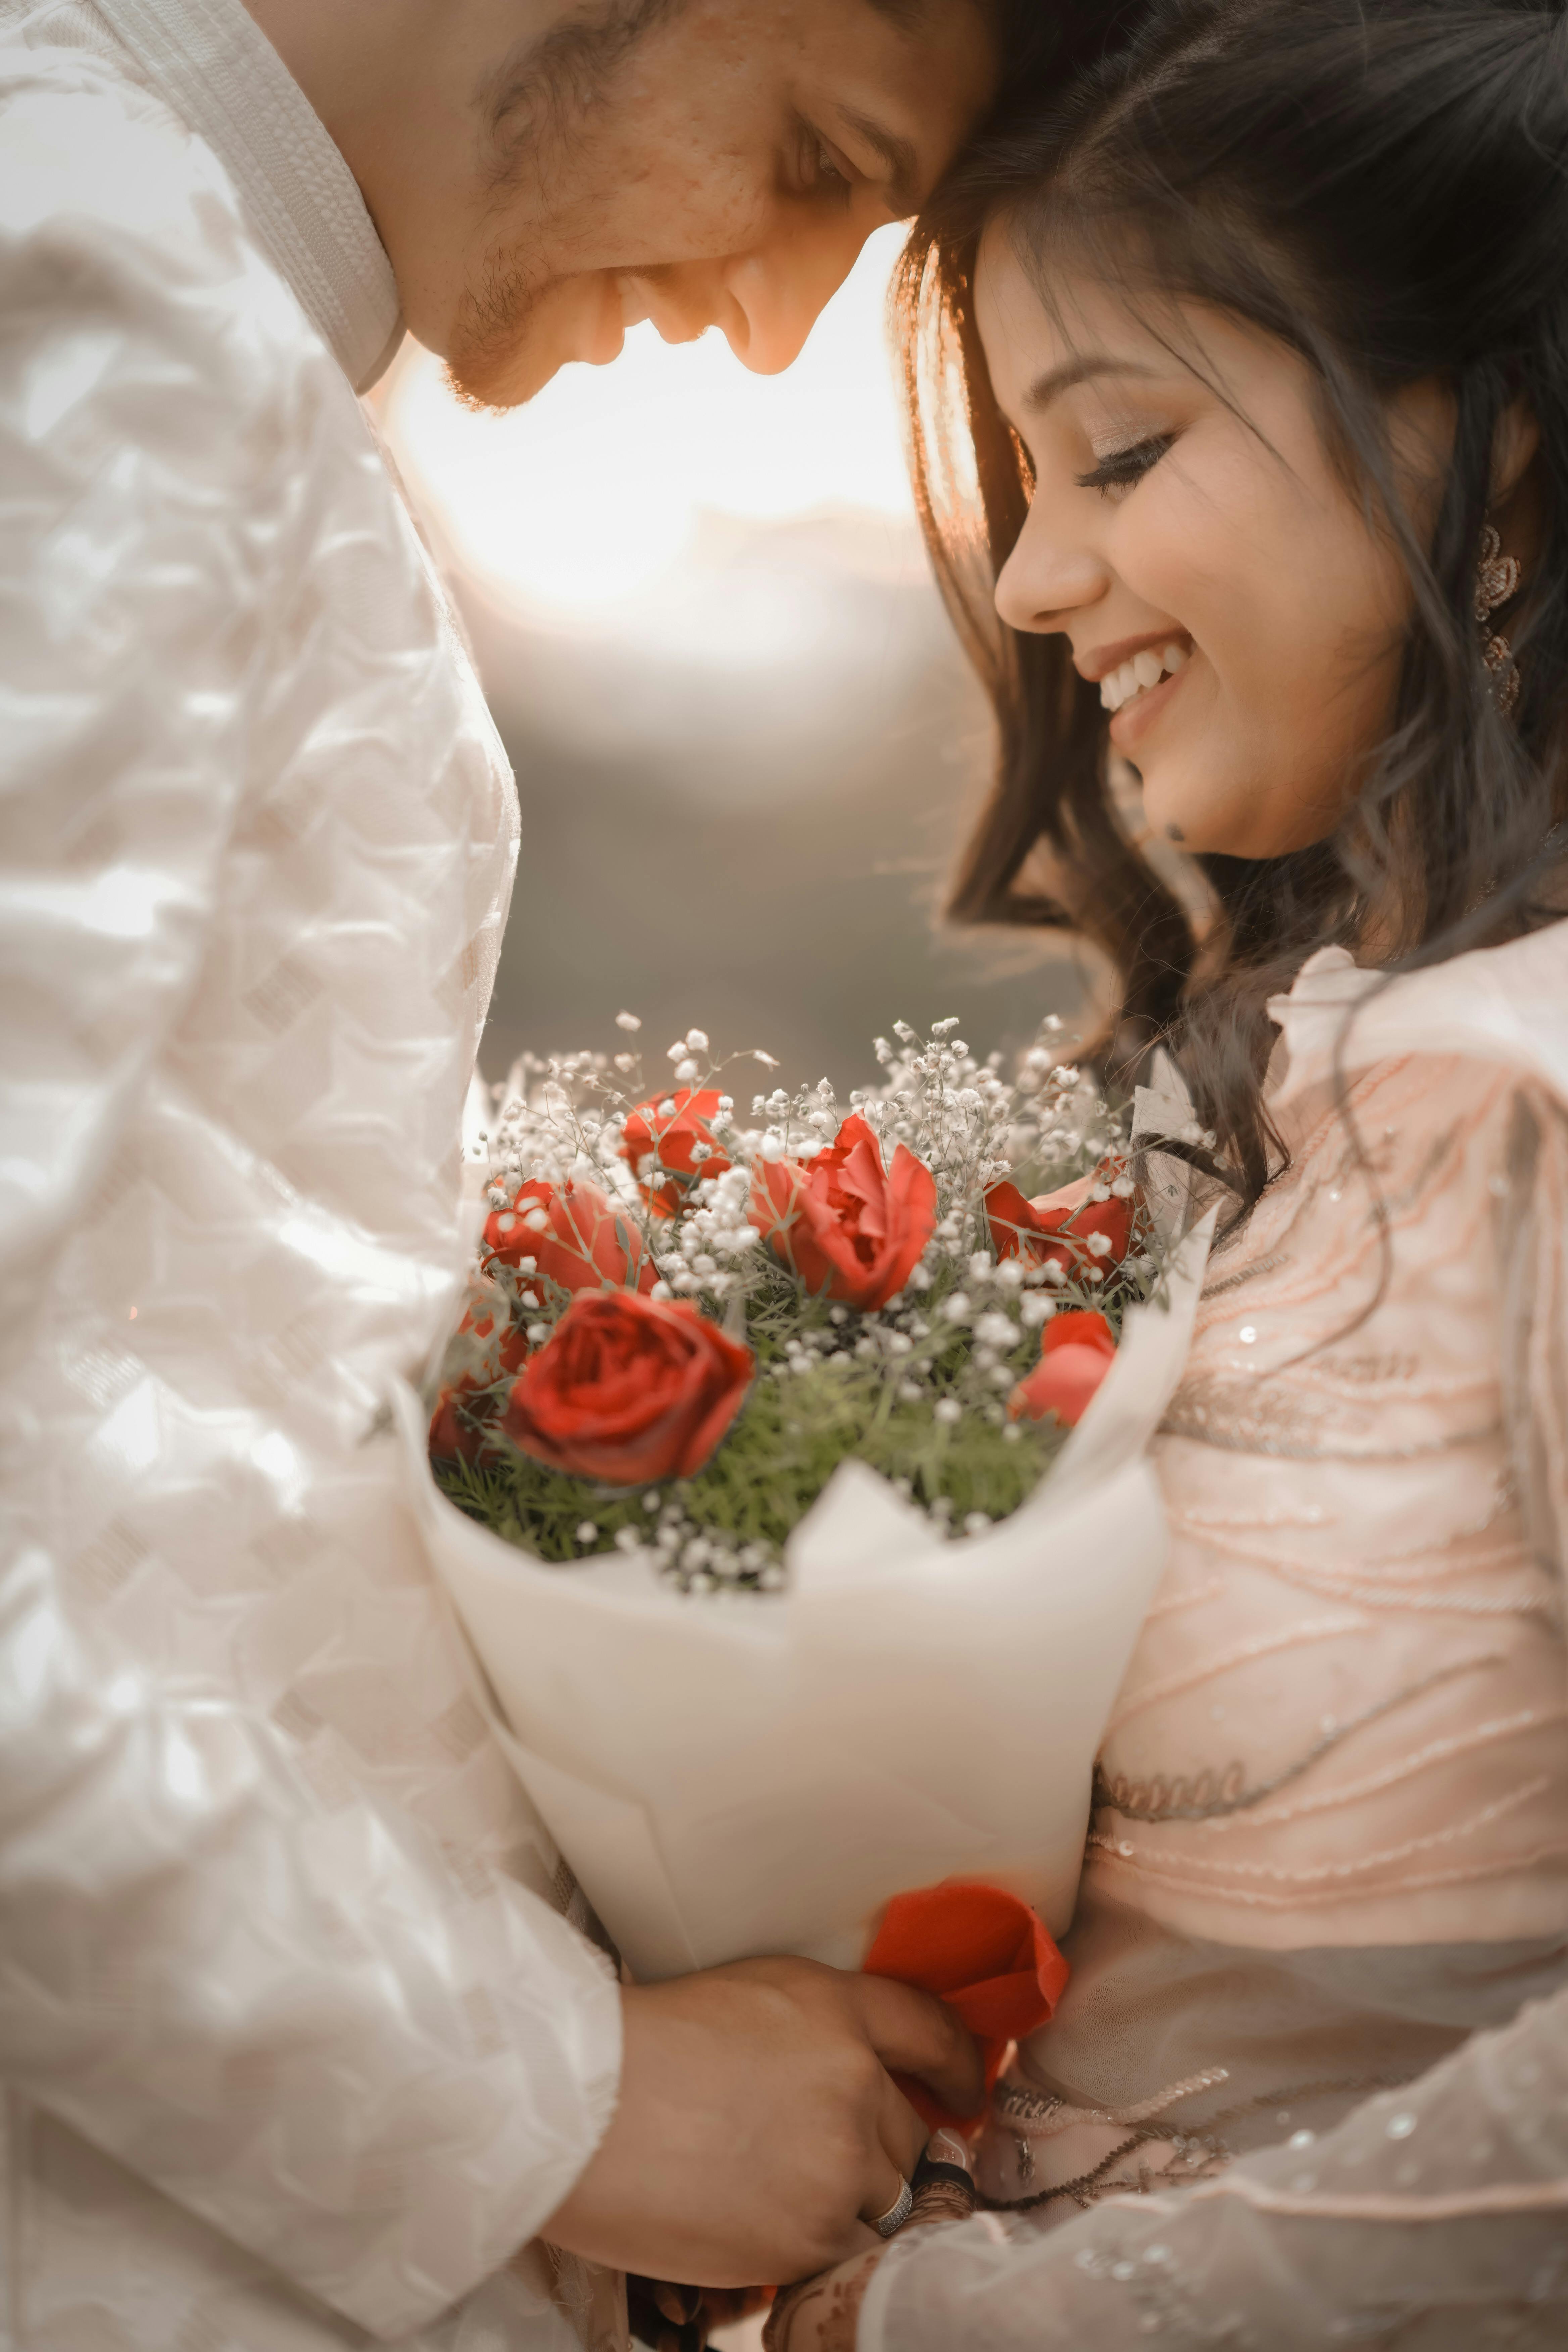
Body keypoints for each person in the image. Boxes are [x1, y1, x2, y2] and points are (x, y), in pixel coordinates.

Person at [0, 2, 1129, 2346]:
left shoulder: (162, 271)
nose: (781, 316)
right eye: (816, 156)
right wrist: (547, 2096)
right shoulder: (101, 293)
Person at [766, 0, 1568, 2343]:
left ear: (1496, 448)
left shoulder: (1535, 1106)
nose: (1028, 577)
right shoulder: (1270, 1095)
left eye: (1116, 457)